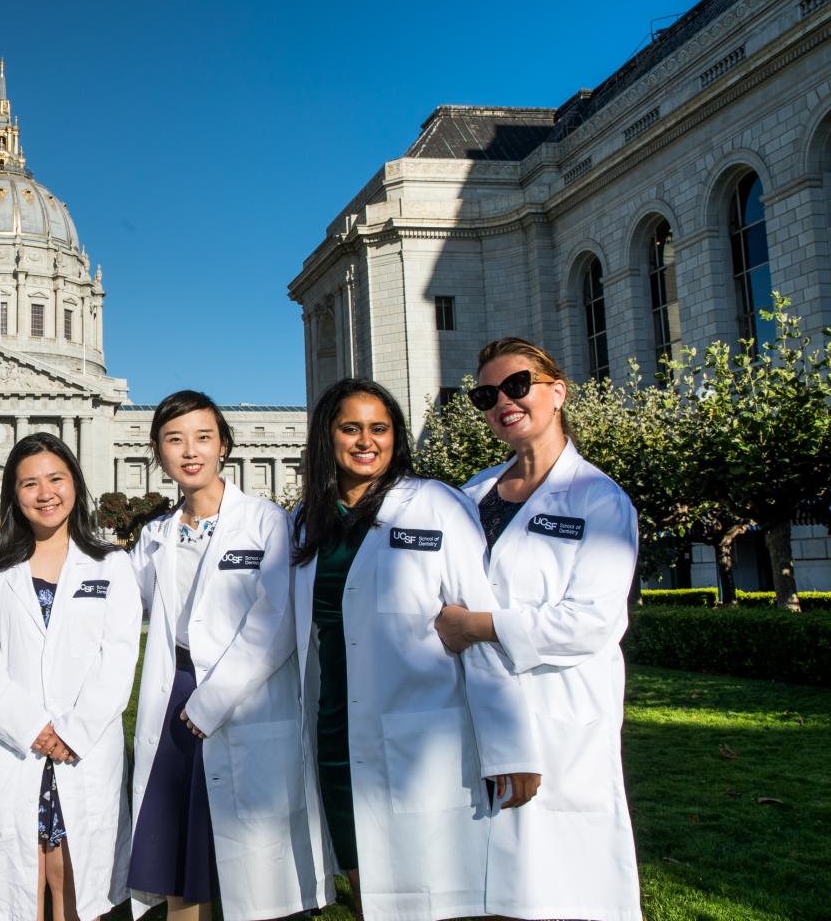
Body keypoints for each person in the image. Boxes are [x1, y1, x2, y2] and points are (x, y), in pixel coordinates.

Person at [292, 378, 541, 921]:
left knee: (433, 887)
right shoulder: (307, 520)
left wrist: (511, 746)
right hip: (335, 726)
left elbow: (477, 628)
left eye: (379, 429)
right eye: (351, 428)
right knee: (363, 874)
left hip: (422, 725)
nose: (366, 441)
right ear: (327, 437)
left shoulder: (435, 504)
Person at [435, 337, 642, 921]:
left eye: (517, 385)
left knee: (557, 881)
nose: (503, 401)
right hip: (473, 706)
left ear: (557, 392)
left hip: (557, 710)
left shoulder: (599, 500)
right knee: (482, 880)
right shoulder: (471, 494)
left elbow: (593, 621)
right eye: (486, 395)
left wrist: (478, 626)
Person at [124, 390, 328, 921]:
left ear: (224, 446)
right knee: (179, 860)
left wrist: (214, 699)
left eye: (203, 437)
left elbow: (275, 621)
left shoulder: (266, 521)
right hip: (176, 695)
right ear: (157, 452)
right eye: (174, 439)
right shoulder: (155, 535)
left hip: (244, 697)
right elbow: (123, 606)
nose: (190, 451)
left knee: (259, 870)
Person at [0, 433, 141, 921]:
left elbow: (118, 657)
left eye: (56, 479)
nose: (45, 494)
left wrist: (72, 732)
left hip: (83, 745)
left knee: (72, 875)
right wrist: (31, 728)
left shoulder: (112, 563)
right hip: (14, 745)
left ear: (75, 484)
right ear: (13, 494)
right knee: (20, 878)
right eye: (29, 484)